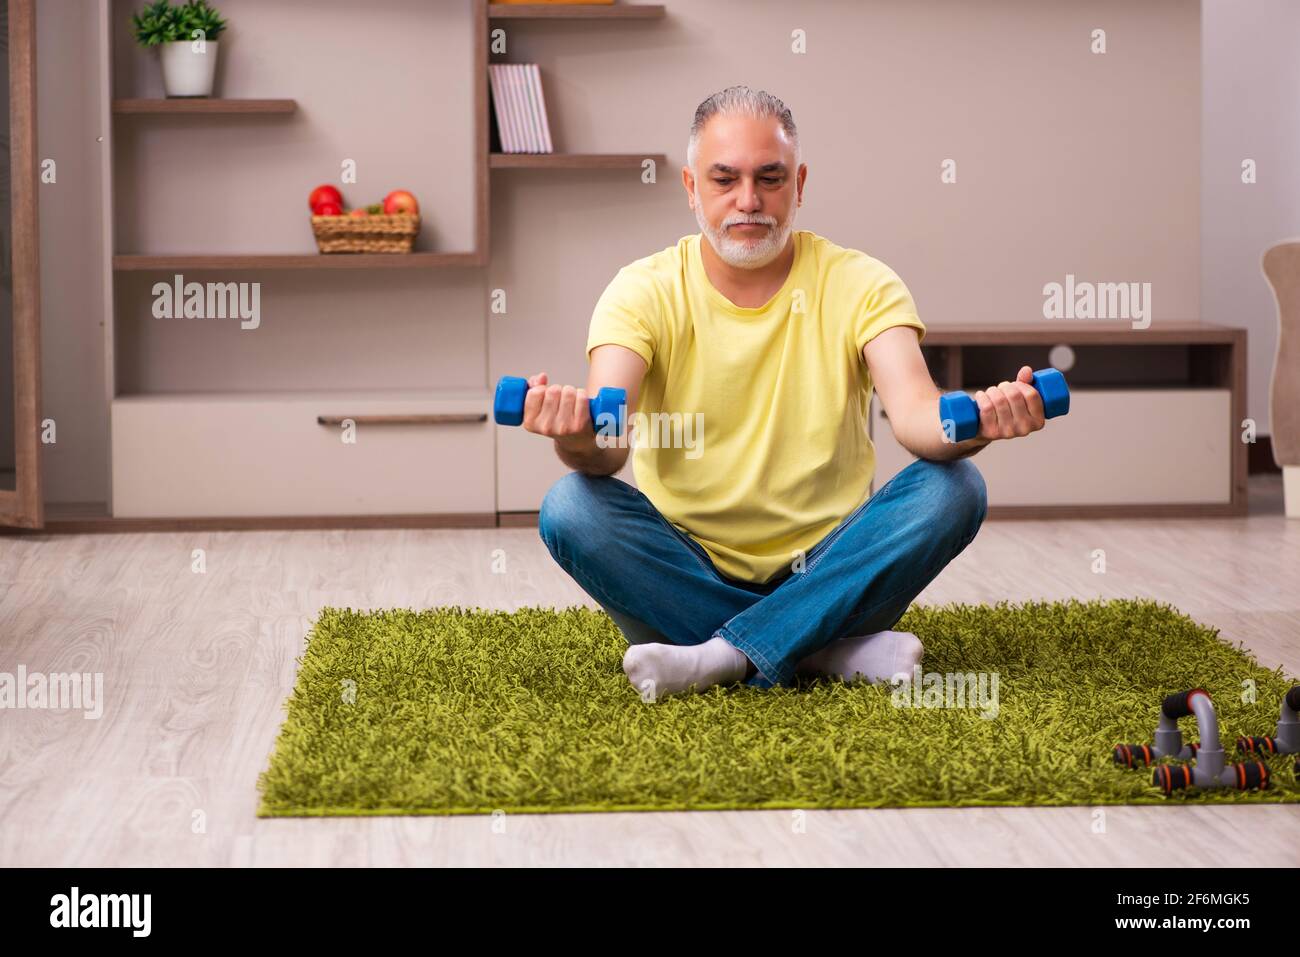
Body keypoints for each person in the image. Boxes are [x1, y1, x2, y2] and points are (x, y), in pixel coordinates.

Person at [529, 86, 1046, 701]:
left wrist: (978, 424)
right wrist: (578, 435)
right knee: (571, 507)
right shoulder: (640, 291)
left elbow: (917, 418)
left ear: (798, 183)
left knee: (954, 486)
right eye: (725, 180)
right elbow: (606, 444)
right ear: (692, 188)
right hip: (688, 568)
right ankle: (822, 648)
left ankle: (719, 654)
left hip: (835, 567)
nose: (749, 202)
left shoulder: (862, 283)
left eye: (769, 179)